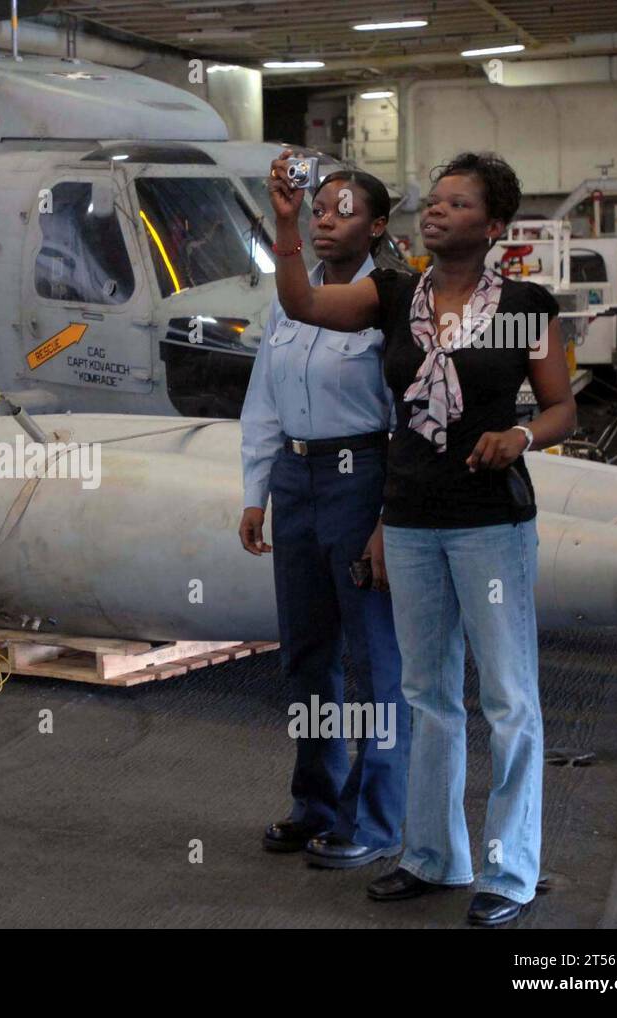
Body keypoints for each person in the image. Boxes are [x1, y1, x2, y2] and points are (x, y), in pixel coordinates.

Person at [266, 150, 577, 927]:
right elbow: (303, 305)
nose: (436, 211)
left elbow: (561, 409)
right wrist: (285, 225)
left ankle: (509, 870)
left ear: (494, 226)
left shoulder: (525, 305)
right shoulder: (394, 292)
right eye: (433, 201)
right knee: (426, 695)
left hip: (491, 525)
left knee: (508, 700)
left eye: (458, 204)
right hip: (407, 520)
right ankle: (434, 856)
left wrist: (521, 436)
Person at [240, 171, 410, 869]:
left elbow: (408, 421)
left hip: (359, 479)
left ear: (374, 228)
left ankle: (372, 821)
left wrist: (386, 519)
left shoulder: (393, 302)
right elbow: (264, 399)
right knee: (308, 657)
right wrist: (257, 492)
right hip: (297, 480)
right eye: (318, 209)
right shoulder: (289, 299)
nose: (325, 221)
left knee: (374, 661)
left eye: (345, 211)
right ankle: (316, 803)